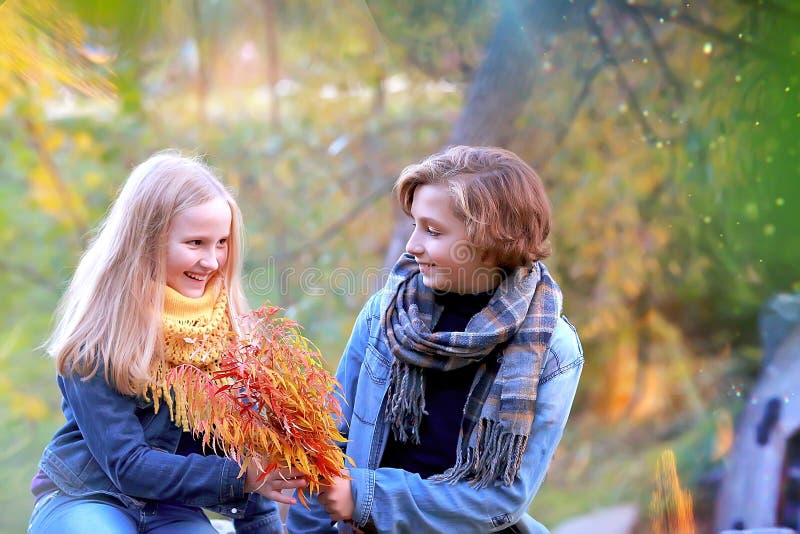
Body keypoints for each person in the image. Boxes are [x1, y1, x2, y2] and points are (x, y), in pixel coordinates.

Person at [287, 145, 584, 533]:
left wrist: (368, 498)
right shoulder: (387, 313)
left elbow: (503, 498)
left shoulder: (552, 349)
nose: (412, 245)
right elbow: (327, 443)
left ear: (490, 240)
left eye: (433, 230)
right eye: (414, 225)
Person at [28, 152, 306, 534]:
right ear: (146, 242)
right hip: (89, 495)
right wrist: (243, 477)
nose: (211, 261)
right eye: (195, 243)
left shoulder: (229, 335)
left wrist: (263, 518)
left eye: (221, 242)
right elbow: (127, 465)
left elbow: (250, 456)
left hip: (173, 509)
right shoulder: (98, 337)